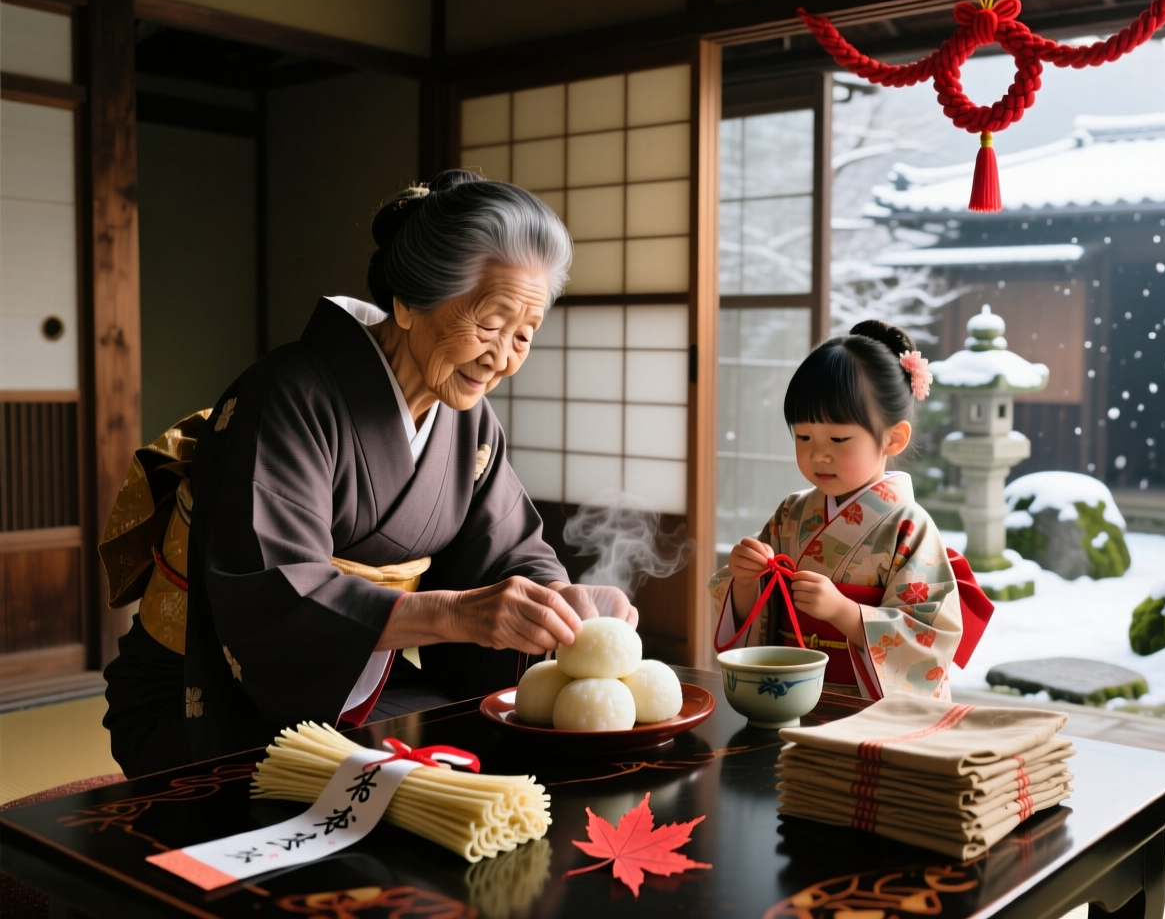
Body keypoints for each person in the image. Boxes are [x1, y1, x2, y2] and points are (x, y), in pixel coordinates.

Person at [102, 170, 636, 776]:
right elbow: (271, 593)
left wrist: (558, 601)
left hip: (358, 684)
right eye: (489, 324)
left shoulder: (470, 421)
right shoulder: (289, 393)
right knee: (439, 786)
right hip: (210, 689)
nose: (503, 355)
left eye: (524, 333)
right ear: (409, 302)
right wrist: (456, 613)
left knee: (505, 758)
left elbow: (507, 555)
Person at [711, 321, 963, 700]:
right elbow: (756, 615)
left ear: (894, 438)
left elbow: (929, 639)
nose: (818, 453)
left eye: (839, 438)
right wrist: (746, 581)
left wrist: (844, 612)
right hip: (789, 696)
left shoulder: (910, 527)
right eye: (804, 436)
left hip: (864, 706)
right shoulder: (791, 513)